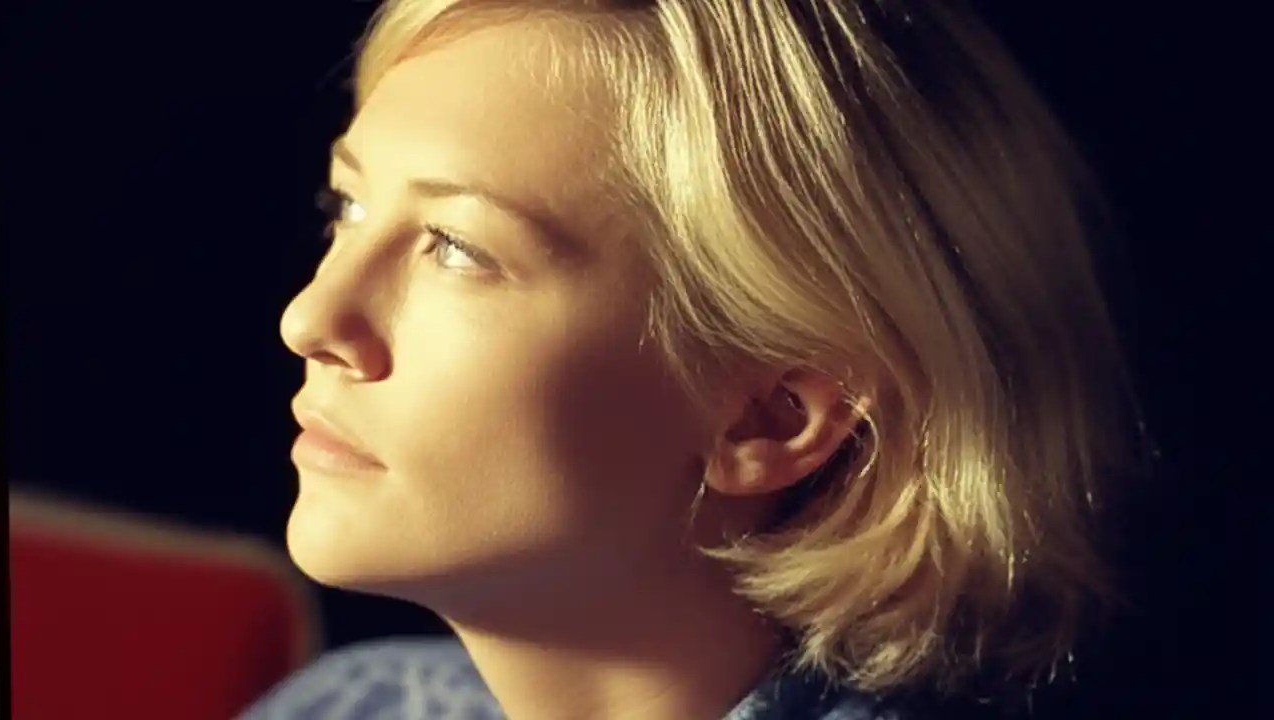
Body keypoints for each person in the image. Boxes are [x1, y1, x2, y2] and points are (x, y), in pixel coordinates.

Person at [247, 0, 1147, 717]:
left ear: (772, 417)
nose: (310, 317)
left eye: (455, 247)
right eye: (347, 208)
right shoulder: (354, 703)